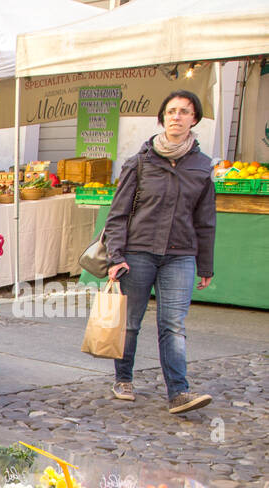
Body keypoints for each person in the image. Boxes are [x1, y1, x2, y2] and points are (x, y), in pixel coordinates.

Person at [105, 90, 215, 415]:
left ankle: (178, 393)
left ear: (194, 119)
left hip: (181, 255)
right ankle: (123, 378)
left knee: (173, 325)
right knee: (131, 322)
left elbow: (205, 220)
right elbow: (118, 214)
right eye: (171, 111)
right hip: (138, 252)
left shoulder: (202, 166)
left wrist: (205, 264)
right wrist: (116, 255)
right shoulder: (140, 162)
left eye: (184, 112)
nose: (176, 117)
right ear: (162, 118)